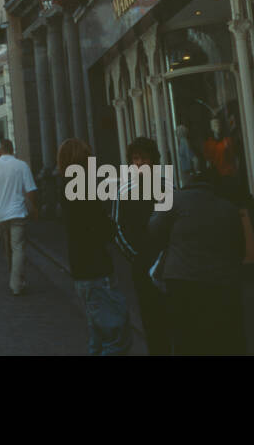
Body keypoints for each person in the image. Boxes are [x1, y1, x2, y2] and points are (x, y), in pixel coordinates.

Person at [146, 165, 246, 355]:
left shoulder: (174, 199)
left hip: (181, 280)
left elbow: (154, 229)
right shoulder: (228, 207)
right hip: (219, 283)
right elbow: (238, 249)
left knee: (186, 339)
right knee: (218, 338)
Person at [58, 139, 132, 355]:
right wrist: (111, 224)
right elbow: (98, 226)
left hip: (81, 267)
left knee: (98, 337)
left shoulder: (66, 186)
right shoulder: (83, 187)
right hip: (96, 268)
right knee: (117, 338)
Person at [111, 138, 171, 355]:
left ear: (153, 160)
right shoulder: (123, 191)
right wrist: (137, 257)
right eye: (135, 159)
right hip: (143, 266)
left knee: (173, 318)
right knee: (150, 318)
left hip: (169, 263)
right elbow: (118, 229)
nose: (139, 163)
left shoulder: (168, 187)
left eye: (143, 158)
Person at [0, 138, 36, 295]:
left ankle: (15, 279)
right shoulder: (22, 166)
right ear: (12, 149)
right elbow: (30, 190)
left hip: (0, 215)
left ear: (0, 151)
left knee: (7, 249)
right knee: (18, 248)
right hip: (18, 213)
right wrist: (34, 208)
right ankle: (16, 282)